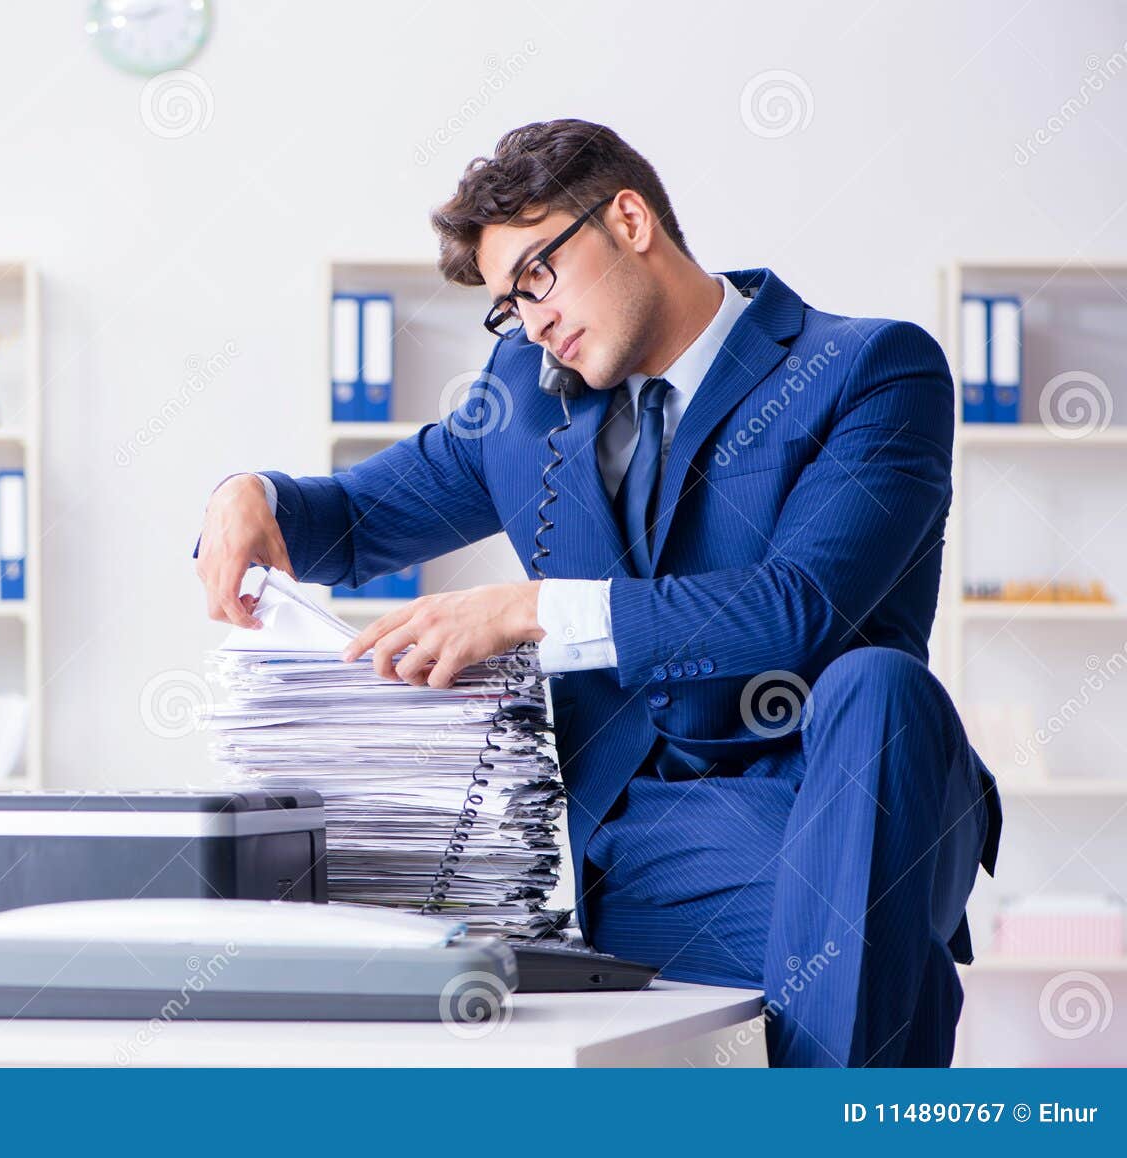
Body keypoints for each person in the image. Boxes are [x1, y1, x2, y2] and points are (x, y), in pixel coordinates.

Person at [193, 119, 1001, 1067]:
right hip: (630, 857)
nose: (529, 319)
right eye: (507, 304)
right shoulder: (526, 396)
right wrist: (245, 494)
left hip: (835, 805)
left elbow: (801, 606)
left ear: (629, 219)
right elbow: (358, 518)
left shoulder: (867, 371)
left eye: (538, 275)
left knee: (881, 688)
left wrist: (534, 609)